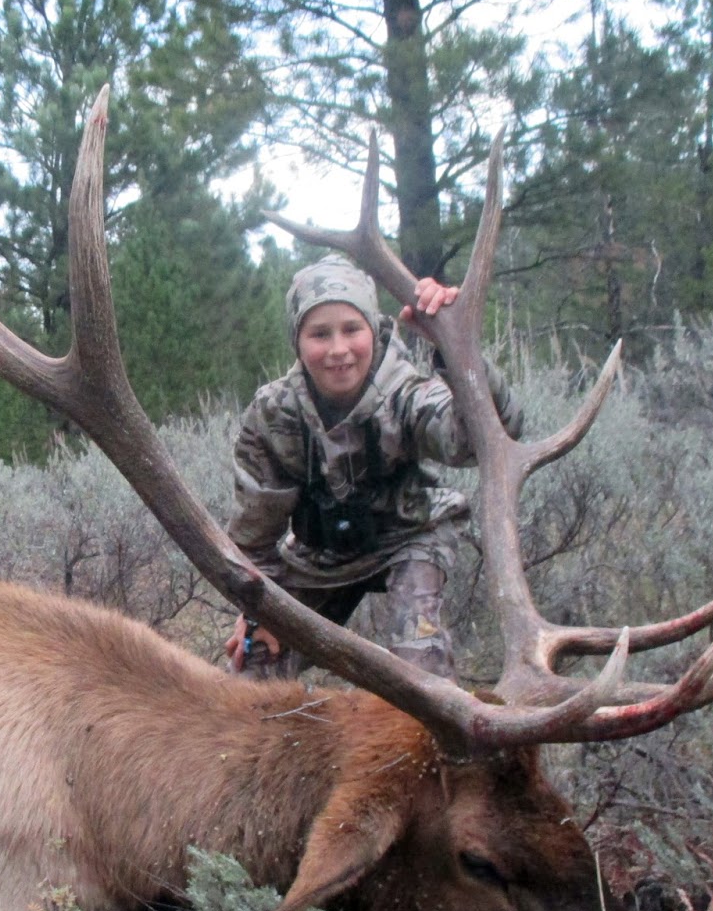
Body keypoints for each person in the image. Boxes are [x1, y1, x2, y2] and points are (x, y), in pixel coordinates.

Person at [223, 256, 525, 679]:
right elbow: (254, 538)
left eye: (352, 329)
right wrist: (257, 611)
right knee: (251, 672)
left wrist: (456, 347)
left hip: (409, 536)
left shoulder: (404, 392)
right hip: (319, 556)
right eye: (319, 334)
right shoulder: (275, 415)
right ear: (297, 341)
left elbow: (487, 434)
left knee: (423, 674)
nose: (338, 350)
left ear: (375, 329)